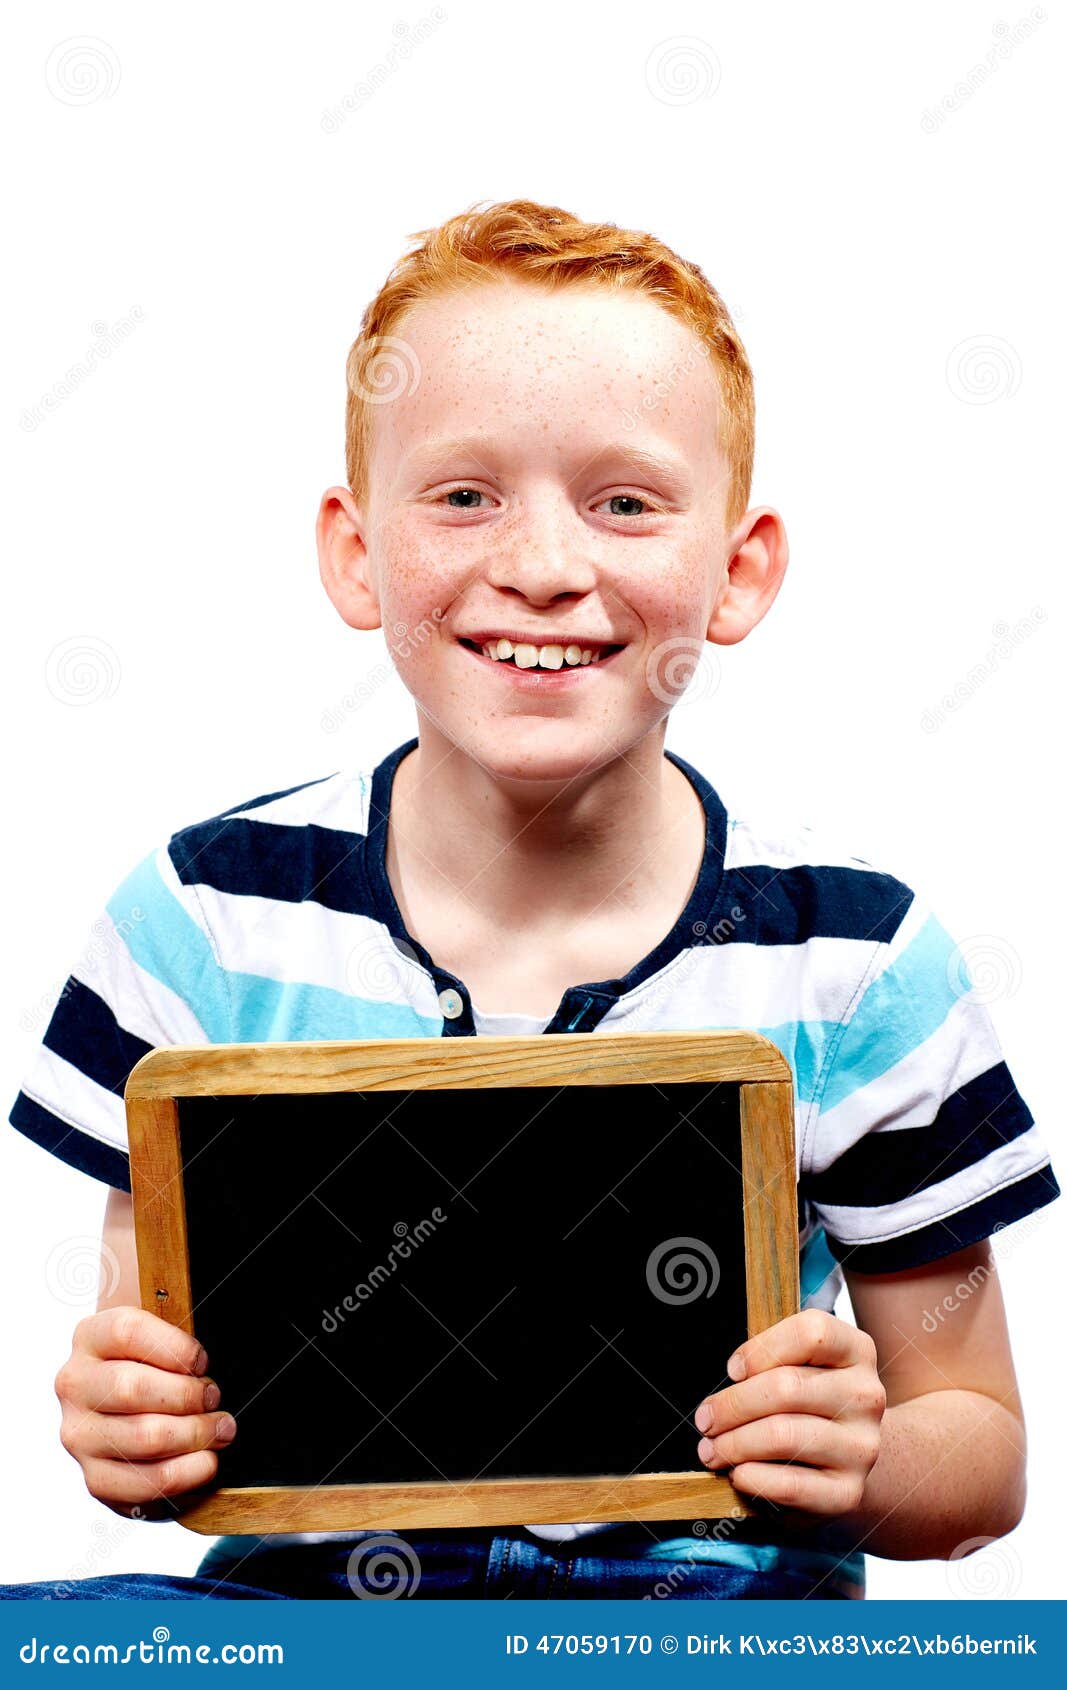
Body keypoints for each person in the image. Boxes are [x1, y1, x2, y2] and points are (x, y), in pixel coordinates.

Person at [2, 199, 1057, 1602]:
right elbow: (157, 1390)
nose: (546, 565)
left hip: (704, 1617)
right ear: (356, 553)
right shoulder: (202, 919)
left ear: (737, 571)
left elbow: (978, 1454)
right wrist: (131, 1428)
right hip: (315, 1618)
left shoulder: (853, 959)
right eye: (463, 494)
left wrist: (861, 1464)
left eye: (624, 501)